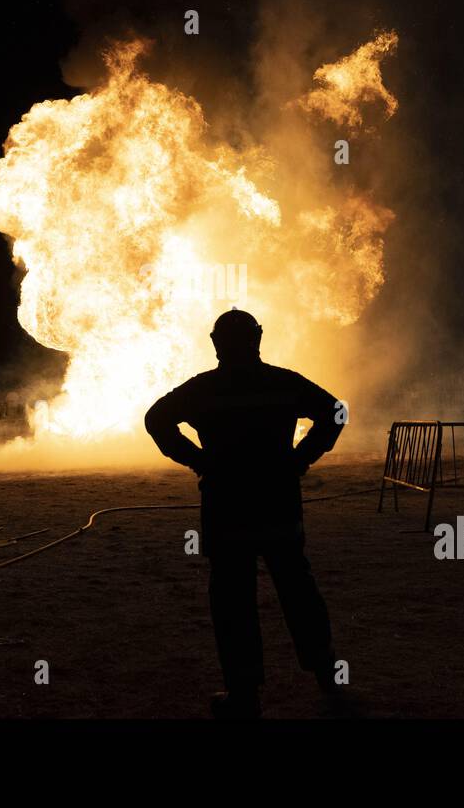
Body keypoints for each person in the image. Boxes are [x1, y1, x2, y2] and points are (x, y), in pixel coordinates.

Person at [144, 308, 345, 719]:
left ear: (216, 343)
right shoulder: (283, 383)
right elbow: (335, 411)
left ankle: (244, 692)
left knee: (233, 598)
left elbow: (156, 419)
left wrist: (199, 461)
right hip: (278, 502)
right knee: (297, 587)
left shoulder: (203, 390)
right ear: (259, 338)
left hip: (227, 506)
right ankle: (327, 674)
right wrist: (300, 458)